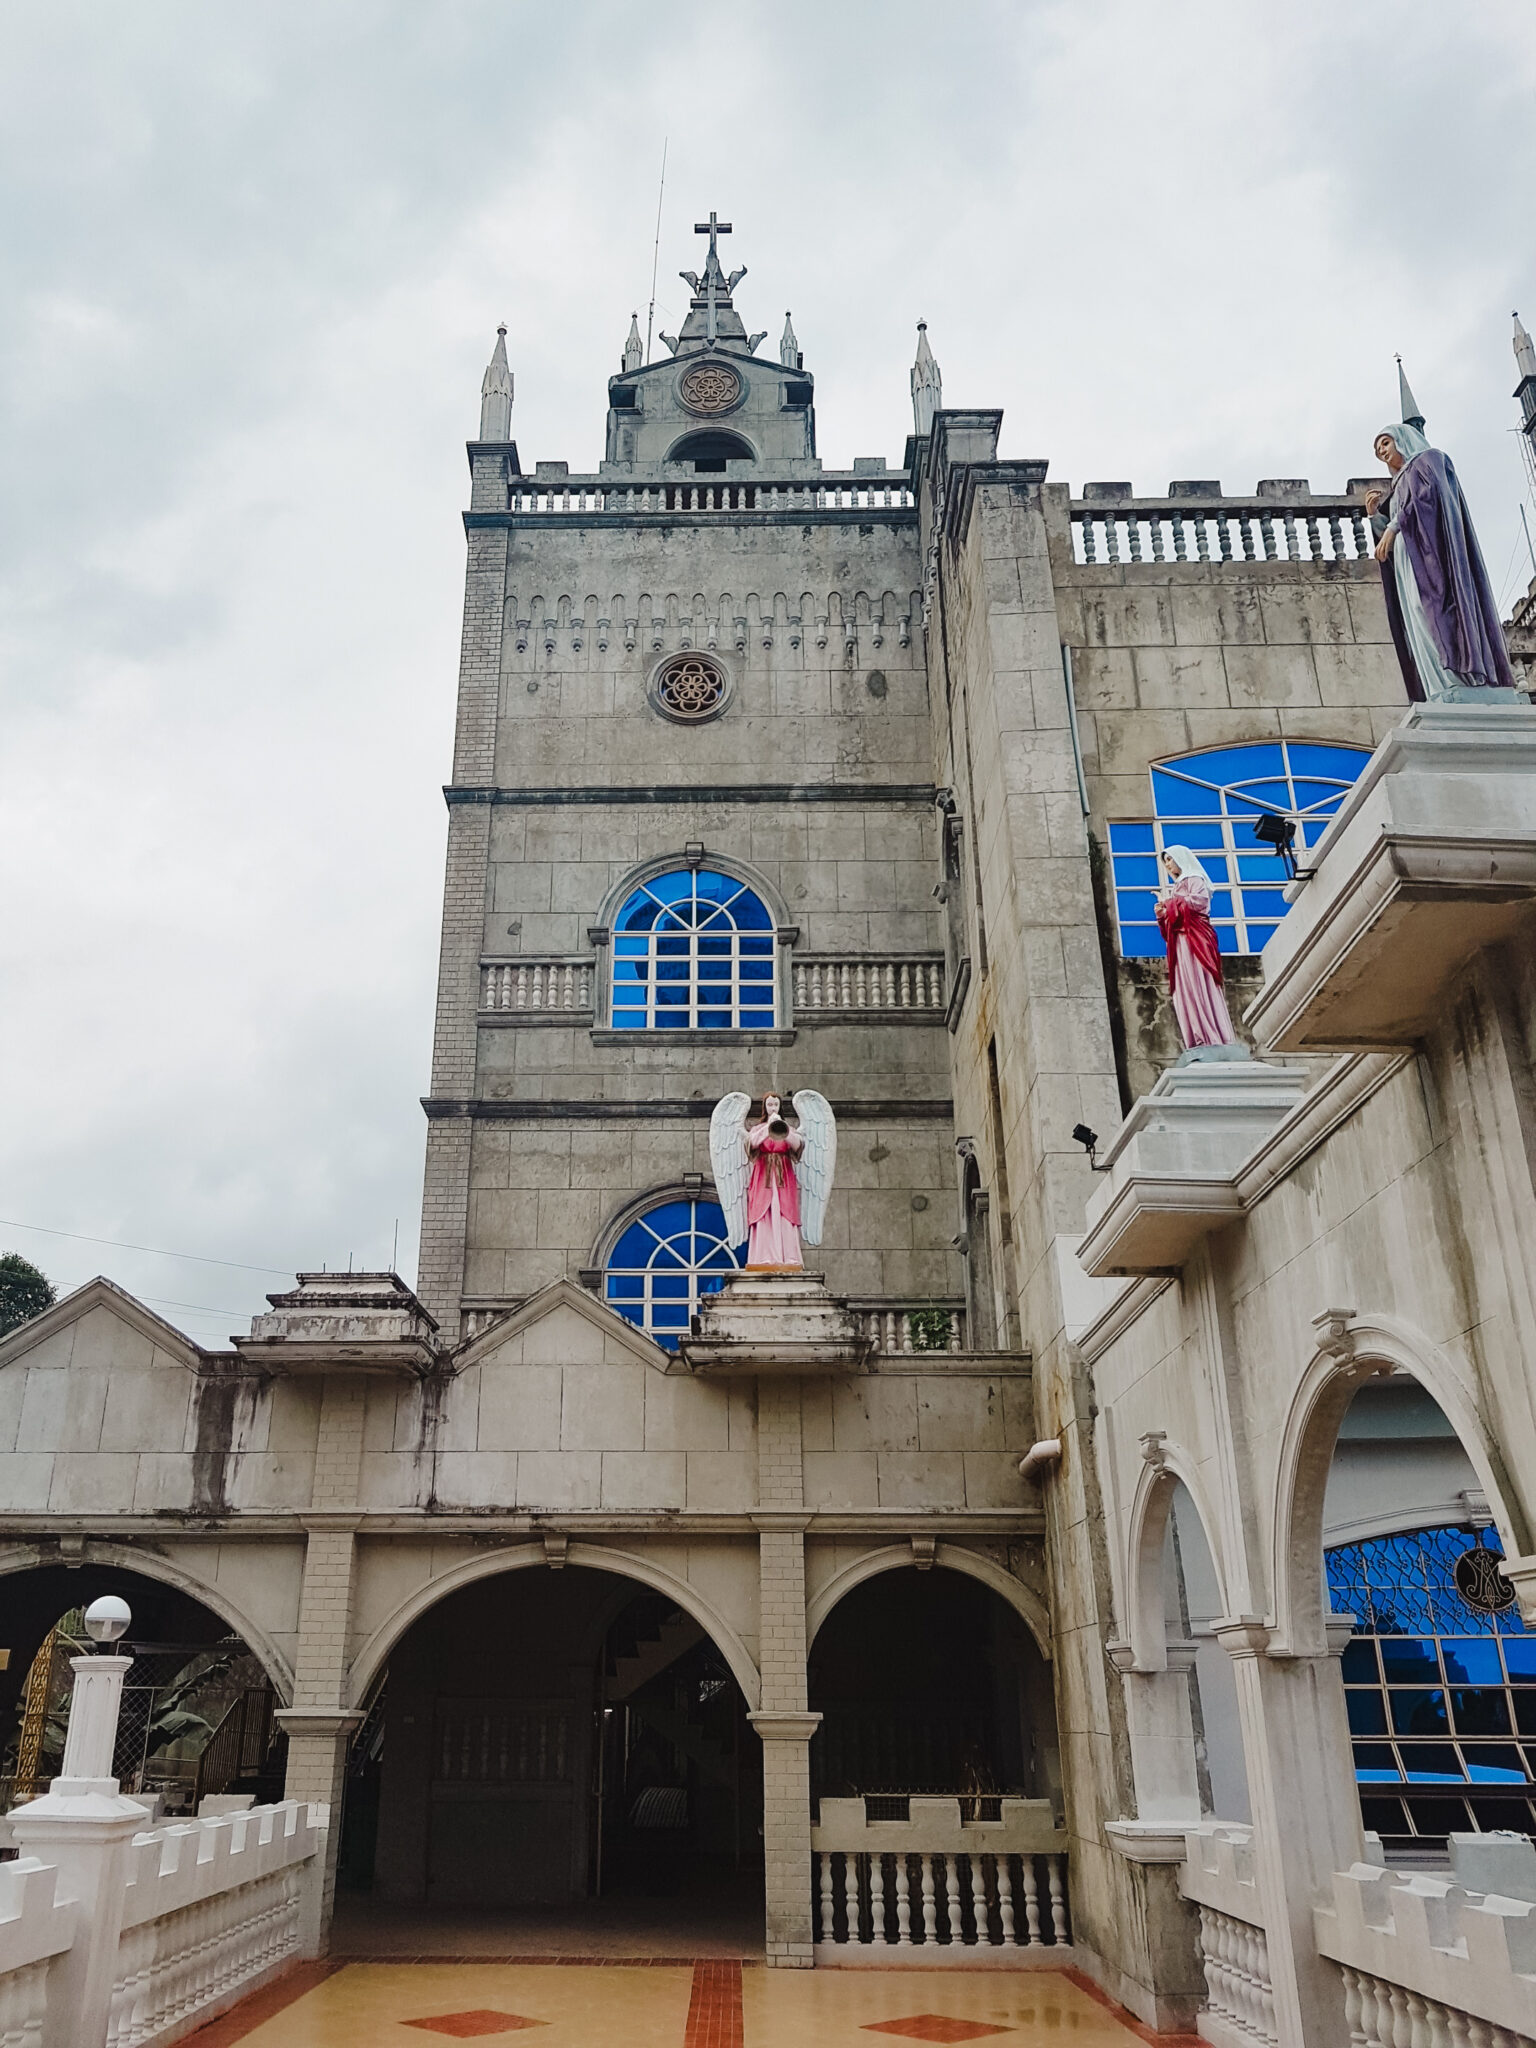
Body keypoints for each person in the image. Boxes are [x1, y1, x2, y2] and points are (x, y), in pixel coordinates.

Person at [1365, 424, 1516, 700]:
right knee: (1415, 619)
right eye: (1378, 450)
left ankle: (1458, 677)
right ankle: (1438, 684)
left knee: (1434, 611)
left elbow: (1430, 499)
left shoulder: (1429, 460)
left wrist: (1394, 525)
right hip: (1408, 562)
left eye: (1385, 443)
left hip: (1434, 561)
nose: (1382, 452)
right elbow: (1395, 530)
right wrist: (1377, 517)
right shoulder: (1398, 485)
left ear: (1403, 438)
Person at [1156, 847, 1237, 1052]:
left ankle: (1213, 1034)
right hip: (1181, 941)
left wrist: (1170, 903)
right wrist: (1162, 912)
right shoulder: (1178, 886)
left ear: (1181, 859)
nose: (1168, 865)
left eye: (1170, 859)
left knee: (1199, 981)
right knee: (1186, 986)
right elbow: (1172, 920)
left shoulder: (1194, 878)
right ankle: (1197, 1036)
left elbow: (1199, 903)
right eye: (1165, 861)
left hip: (1195, 938)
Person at [745, 1093, 804, 1267]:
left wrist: (782, 1127)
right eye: (770, 1105)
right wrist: (768, 1126)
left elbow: (798, 1146)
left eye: (776, 1105)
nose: (773, 1108)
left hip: (783, 1176)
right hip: (763, 1175)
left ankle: (788, 1257)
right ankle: (764, 1257)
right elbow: (752, 1144)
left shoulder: (789, 1129)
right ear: (765, 1107)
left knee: (784, 1214)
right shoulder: (757, 1129)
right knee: (764, 1213)